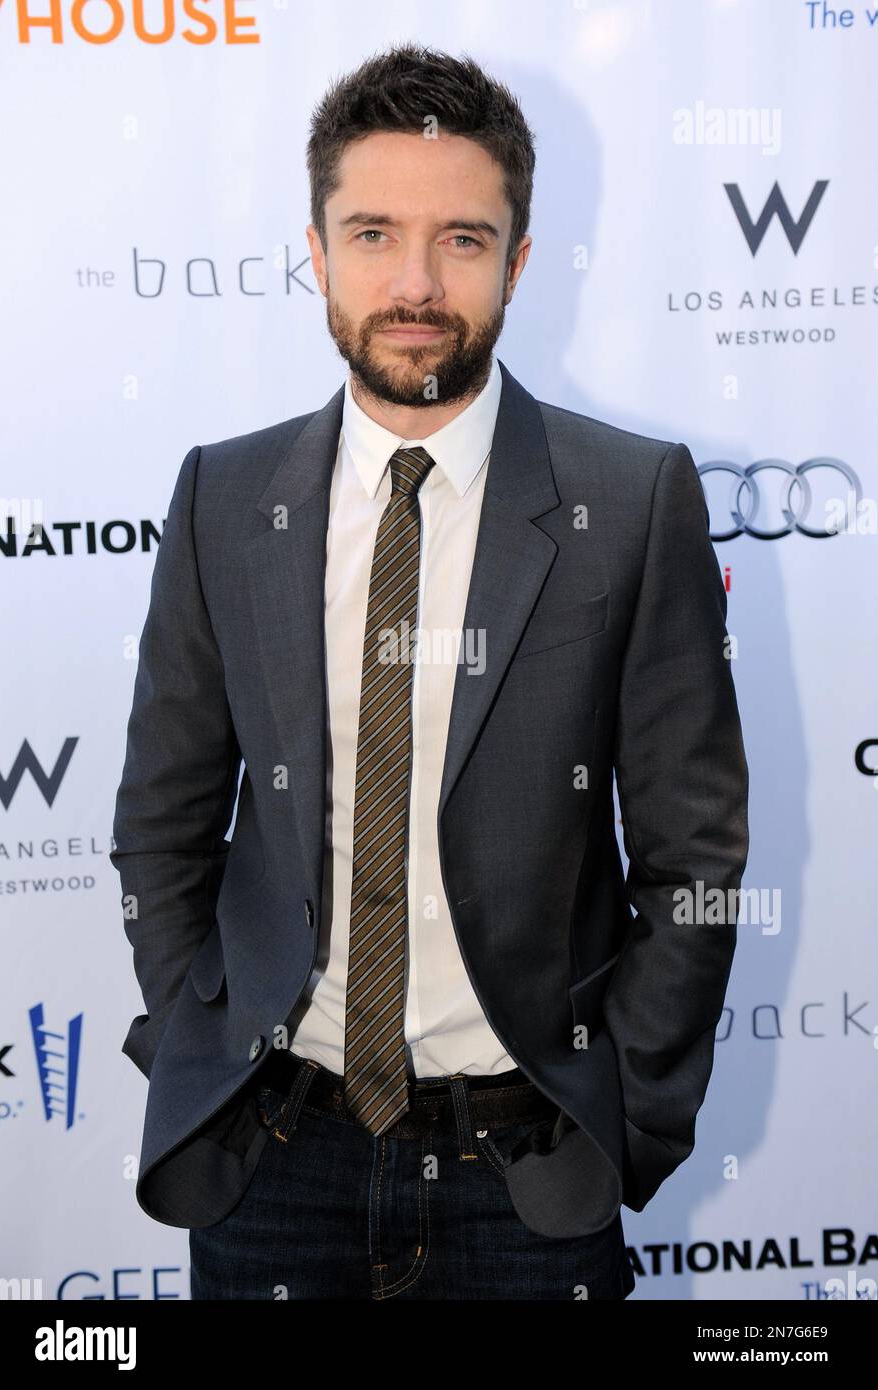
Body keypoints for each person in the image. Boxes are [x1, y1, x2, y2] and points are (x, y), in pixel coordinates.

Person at [111, 41, 749, 1302]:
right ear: (316, 252)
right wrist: (200, 1036)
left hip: (526, 1171)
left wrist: (623, 1114)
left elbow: (694, 857)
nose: (413, 283)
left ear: (516, 260)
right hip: (270, 1161)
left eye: (460, 239)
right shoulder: (223, 497)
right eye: (372, 234)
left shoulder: (627, 501)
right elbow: (161, 821)